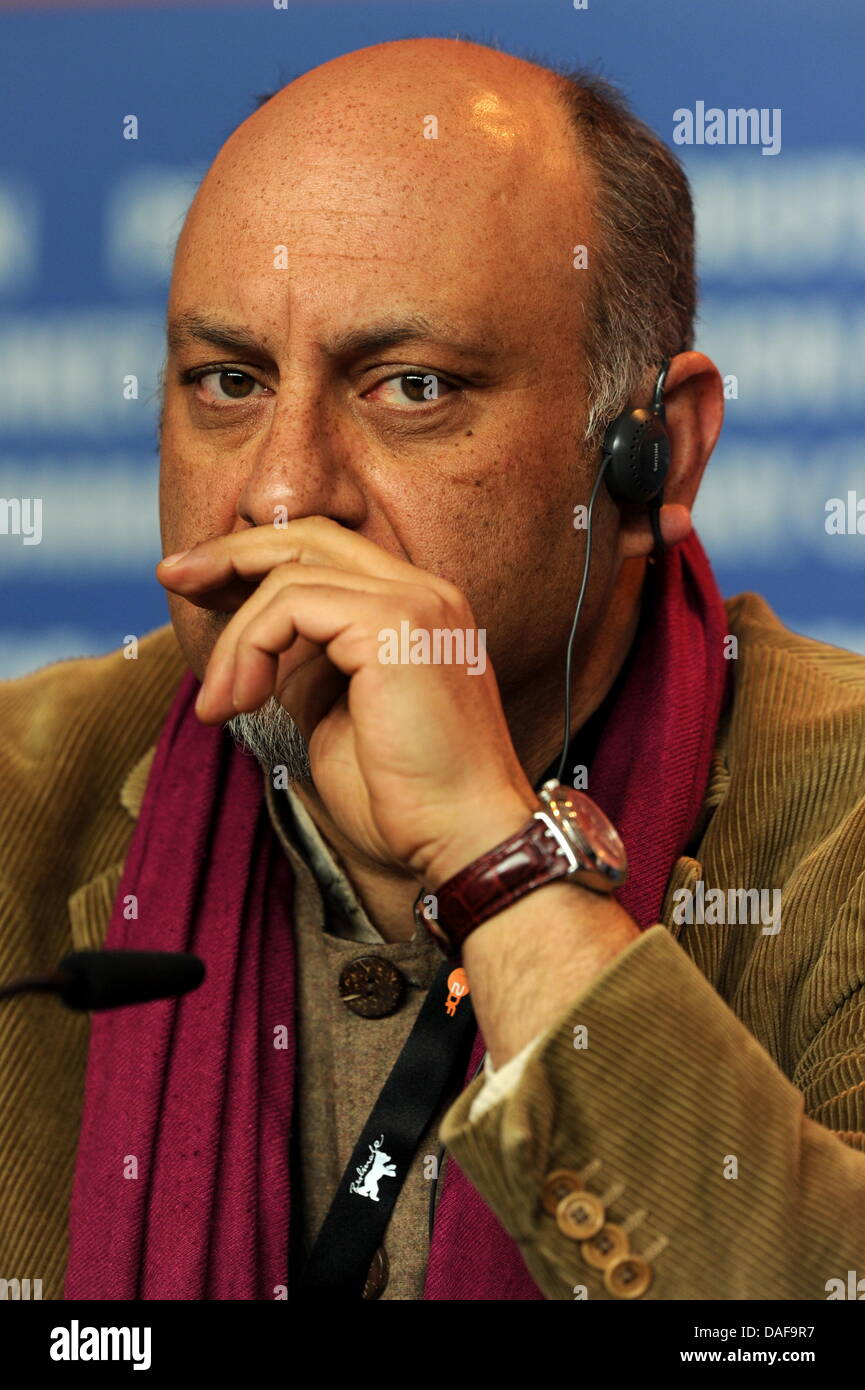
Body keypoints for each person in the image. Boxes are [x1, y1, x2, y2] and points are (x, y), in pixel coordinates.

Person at [1, 37, 864, 1303]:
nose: (285, 489)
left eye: (412, 387)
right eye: (227, 382)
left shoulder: (841, 815)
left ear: (654, 460)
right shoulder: (21, 798)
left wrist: (502, 870)